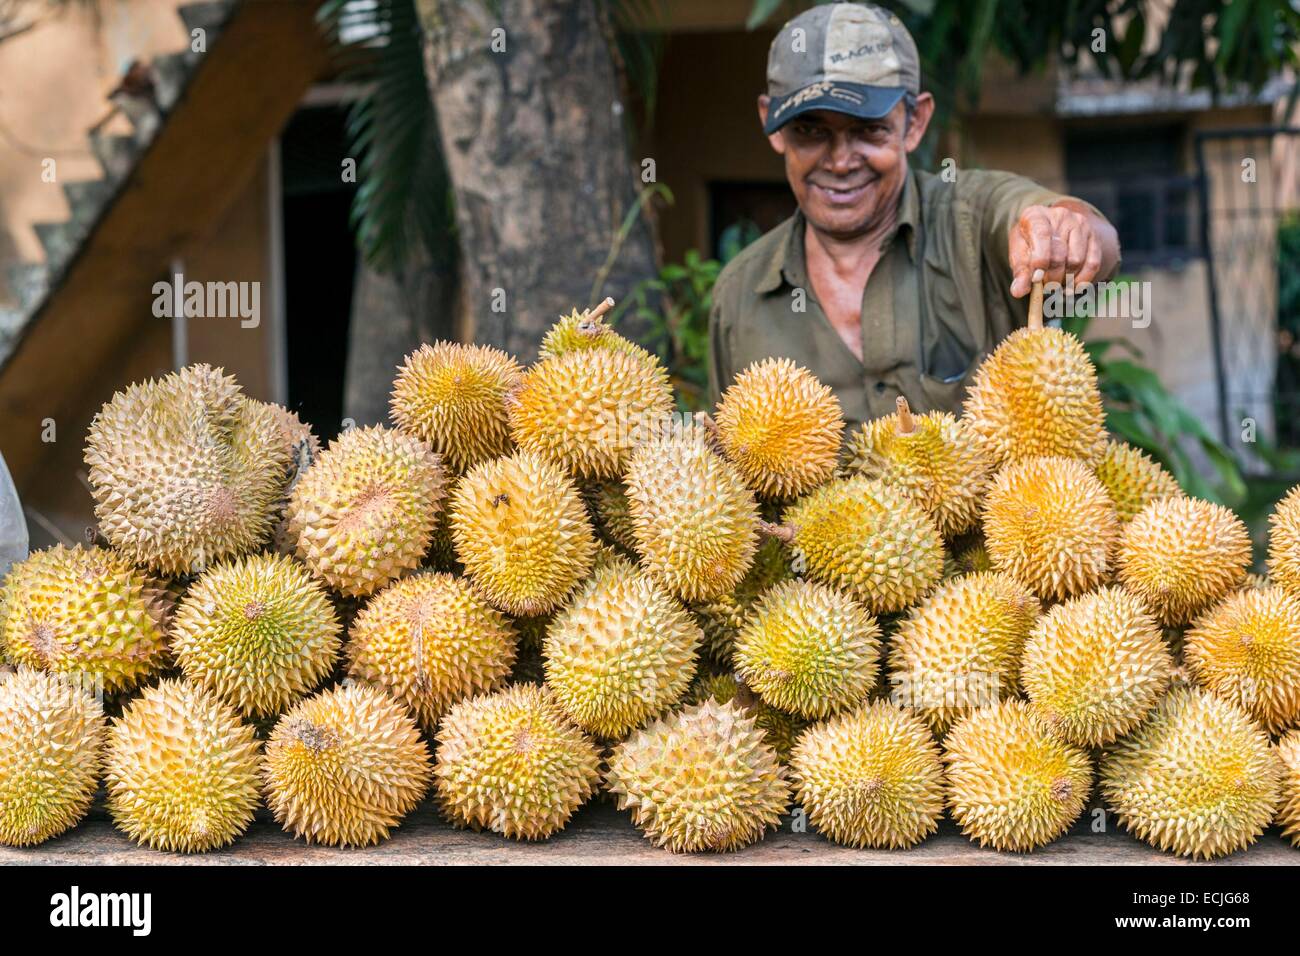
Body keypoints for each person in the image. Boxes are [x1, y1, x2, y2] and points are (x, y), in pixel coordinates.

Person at [707, 2, 1120, 429]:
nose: (841, 161)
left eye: (868, 129)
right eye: (810, 131)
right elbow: (732, 469)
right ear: (773, 126)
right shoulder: (739, 297)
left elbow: (1058, 223)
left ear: (916, 121)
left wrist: (1069, 233)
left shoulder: (971, 223)